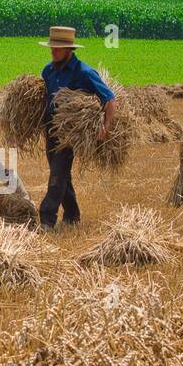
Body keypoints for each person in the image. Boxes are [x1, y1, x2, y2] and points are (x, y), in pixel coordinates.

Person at [38, 26, 115, 229]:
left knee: (57, 173)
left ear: (69, 50)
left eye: (57, 48)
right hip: (51, 131)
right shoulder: (48, 70)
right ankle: (72, 215)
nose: (53, 51)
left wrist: (105, 127)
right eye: (52, 47)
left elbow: (109, 98)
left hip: (71, 134)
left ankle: (46, 219)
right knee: (62, 174)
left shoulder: (84, 73)